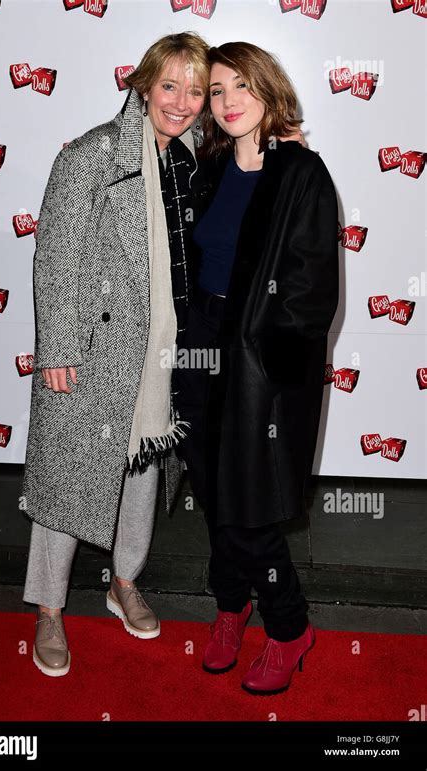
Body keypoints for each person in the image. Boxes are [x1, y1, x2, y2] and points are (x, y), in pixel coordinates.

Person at [21, 32, 210, 676]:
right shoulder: (93, 154)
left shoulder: (192, 161)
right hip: (95, 350)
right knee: (68, 480)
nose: (182, 103)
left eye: (195, 89)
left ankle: (122, 582)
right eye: (169, 86)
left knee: (142, 469)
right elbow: (56, 256)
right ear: (143, 84)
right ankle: (48, 611)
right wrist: (59, 347)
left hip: (161, 354)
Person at [175, 42, 339, 695]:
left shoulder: (302, 173)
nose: (229, 100)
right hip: (197, 349)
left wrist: (270, 369)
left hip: (257, 360)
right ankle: (229, 604)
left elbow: (310, 291)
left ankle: (288, 626)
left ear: (268, 90)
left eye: (241, 85)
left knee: (251, 507)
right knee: (214, 496)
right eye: (217, 91)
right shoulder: (208, 168)